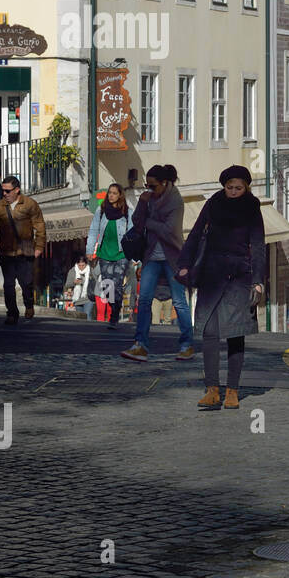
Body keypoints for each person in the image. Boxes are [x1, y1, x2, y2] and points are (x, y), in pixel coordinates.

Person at [177, 165, 265, 410]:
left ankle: (233, 391)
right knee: (209, 331)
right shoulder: (214, 202)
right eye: (229, 187)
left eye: (238, 188)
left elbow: (258, 245)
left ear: (246, 187)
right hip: (211, 273)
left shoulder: (252, 206)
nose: (233, 192)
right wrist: (184, 263)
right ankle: (212, 389)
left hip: (239, 275)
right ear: (223, 186)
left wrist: (258, 281)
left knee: (236, 333)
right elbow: (195, 233)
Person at [120, 164, 195, 362]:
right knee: (144, 299)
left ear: (164, 183)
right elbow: (136, 222)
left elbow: (169, 231)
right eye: (147, 185)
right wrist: (143, 205)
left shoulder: (175, 201)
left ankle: (187, 344)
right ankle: (140, 344)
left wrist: (148, 223)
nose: (149, 189)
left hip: (172, 256)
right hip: (151, 255)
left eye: (153, 186)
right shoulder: (148, 199)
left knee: (179, 301)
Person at [0, 175, 46, 325]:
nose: (5, 194)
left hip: (25, 250)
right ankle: (12, 313)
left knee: (26, 283)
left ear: (17, 190)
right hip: (6, 252)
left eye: (8, 191)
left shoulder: (30, 204)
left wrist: (39, 246)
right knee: (8, 285)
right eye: (3, 191)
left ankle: (29, 304)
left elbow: (39, 225)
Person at [87, 182, 131, 328]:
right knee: (107, 287)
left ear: (120, 196)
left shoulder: (127, 211)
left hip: (121, 253)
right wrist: (89, 250)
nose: (111, 195)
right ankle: (115, 307)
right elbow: (93, 230)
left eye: (114, 193)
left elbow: (132, 232)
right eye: (110, 193)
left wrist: (134, 252)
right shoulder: (101, 210)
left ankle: (114, 316)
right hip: (104, 254)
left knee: (117, 284)